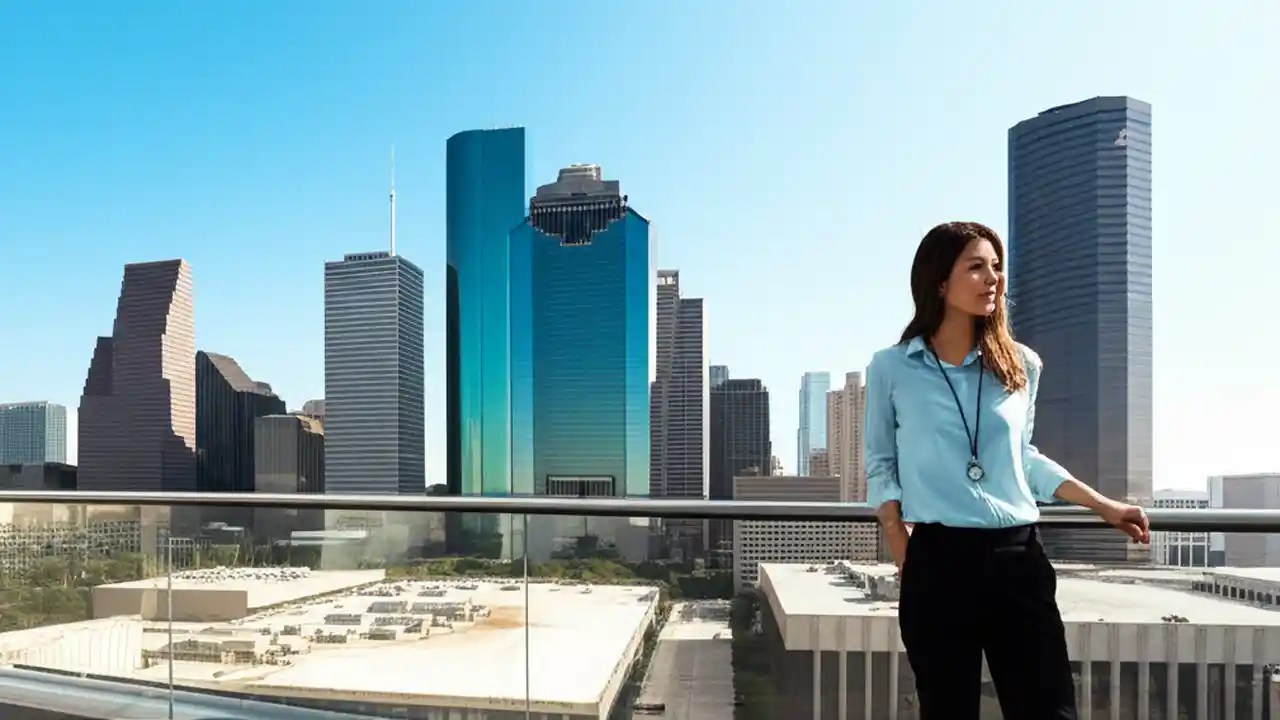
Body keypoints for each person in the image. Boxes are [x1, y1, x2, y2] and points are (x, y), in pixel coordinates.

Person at [865, 221, 1151, 720]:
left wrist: (1106, 506)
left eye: (997, 267)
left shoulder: (1021, 365)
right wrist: (903, 549)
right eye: (976, 266)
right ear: (939, 281)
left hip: (1017, 561)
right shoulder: (893, 368)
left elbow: (1024, 459)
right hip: (937, 562)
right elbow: (880, 464)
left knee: (1049, 711)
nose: (992, 277)